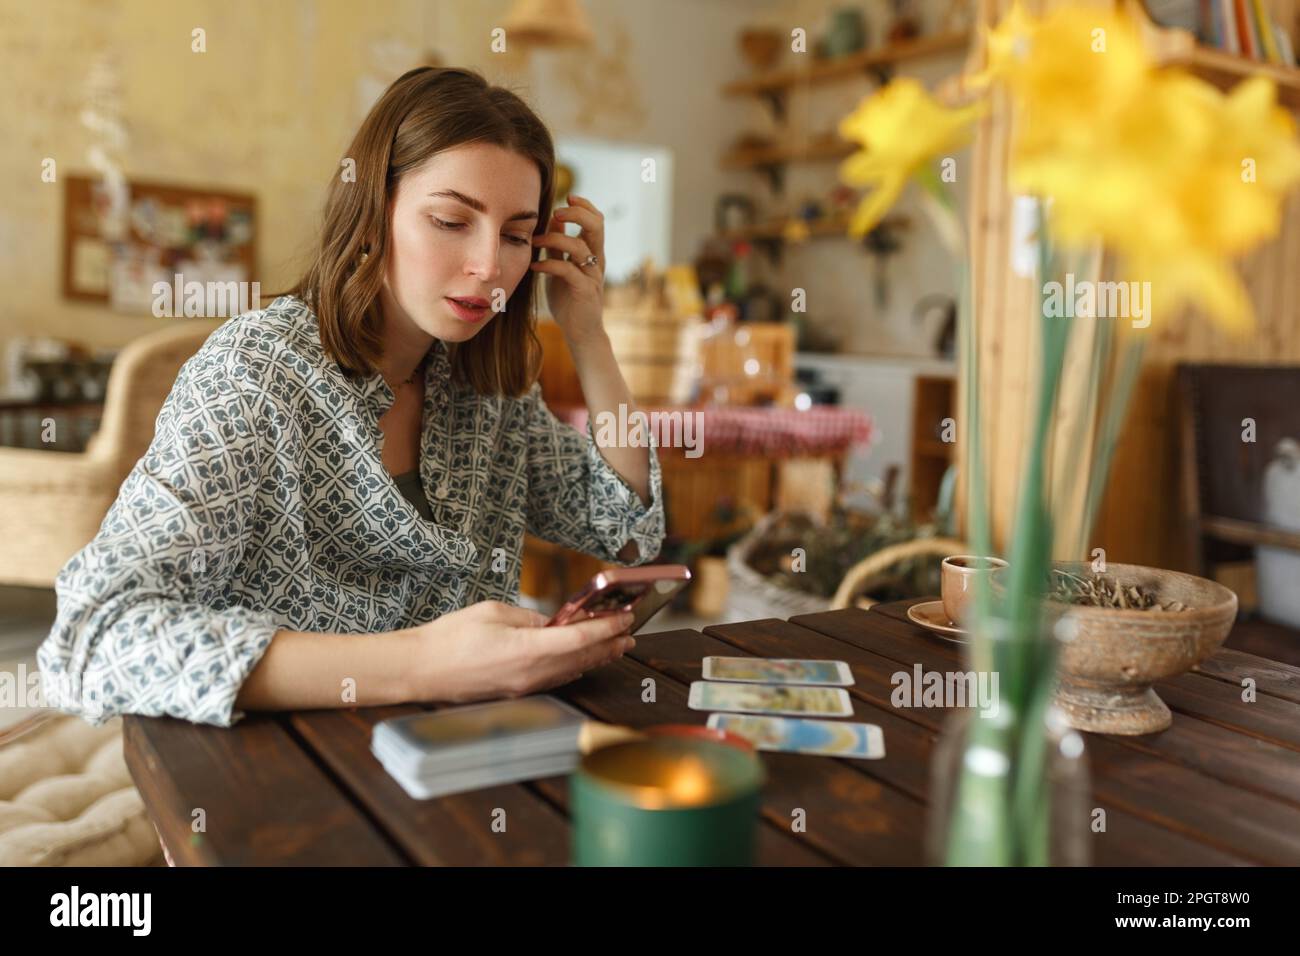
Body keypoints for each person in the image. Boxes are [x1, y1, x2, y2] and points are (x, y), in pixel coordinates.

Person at [38, 67, 665, 728]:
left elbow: (626, 532)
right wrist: (427, 663)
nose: (488, 265)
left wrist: (589, 335)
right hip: (273, 770)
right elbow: (92, 640)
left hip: (447, 758)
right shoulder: (257, 372)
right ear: (373, 213)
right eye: (451, 220)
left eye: (515, 235)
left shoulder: (482, 388)